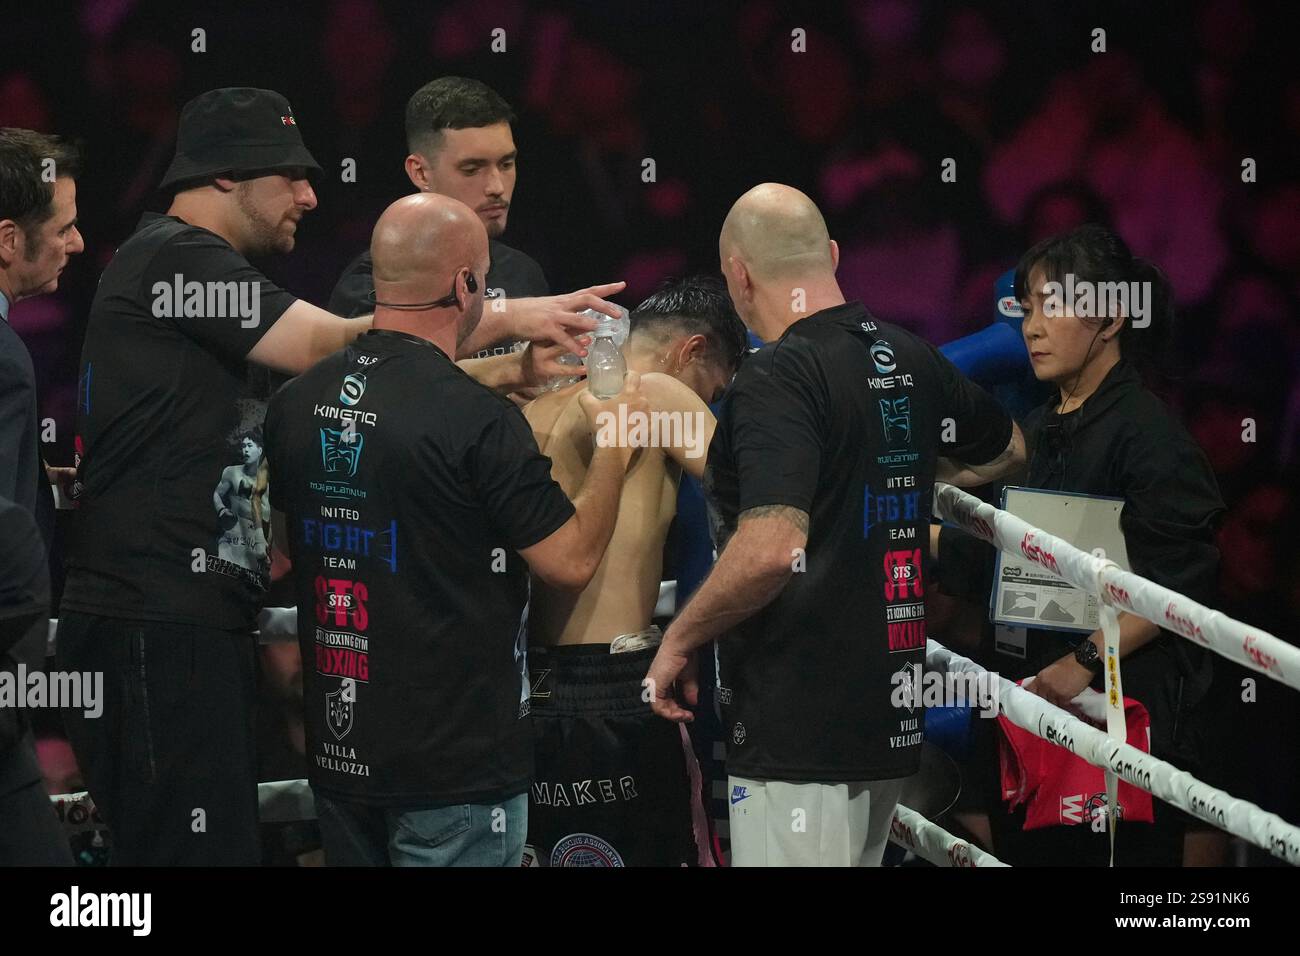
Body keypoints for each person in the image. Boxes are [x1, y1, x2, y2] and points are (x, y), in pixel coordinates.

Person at [646, 183, 1025, 867]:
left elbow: (770, 548)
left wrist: (679, 637)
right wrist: (887, 474)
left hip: (800, 724)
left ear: (738, 272)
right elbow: (1007, 449)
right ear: (833, 255)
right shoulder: (908, 354)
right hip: (888, 708)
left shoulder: (775, 377)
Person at [264, 192, 645, 867]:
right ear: (465, 284)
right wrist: (616, 436)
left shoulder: (296, 405)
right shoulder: (477, 422)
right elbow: (570, 560)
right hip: (457, 771)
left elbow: (292, 549)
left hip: (340, 754)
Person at [932, 223, 1226, 866]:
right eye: (1028, 306)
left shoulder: (1151, 438)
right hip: (1026, 706)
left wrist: (1082, 665)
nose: (1032, 326)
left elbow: (1176, 582)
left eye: (1052, 305)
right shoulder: (1038, 431)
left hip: (1117, 717)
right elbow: (988, 553)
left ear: (1112, 316)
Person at [521, 275, 746, 867]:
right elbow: (760, 509)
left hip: (532, 694)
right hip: (620, 687)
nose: (708, 400)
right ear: (690, 350)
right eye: (713, 387)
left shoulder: (535, 408)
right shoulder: (657, 395)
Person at [329, 75, 621, 362]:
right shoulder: (369, 284)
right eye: (471, 169)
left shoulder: (522, 271)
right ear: (420, 173)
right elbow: (384, 384)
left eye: (506, 164)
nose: (496, 187)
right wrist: (510, 320)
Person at [0, 127, 85, 866]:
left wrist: (42, 486)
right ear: (7, 239)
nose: (79, 242)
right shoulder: (5, 358)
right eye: (62, 228)